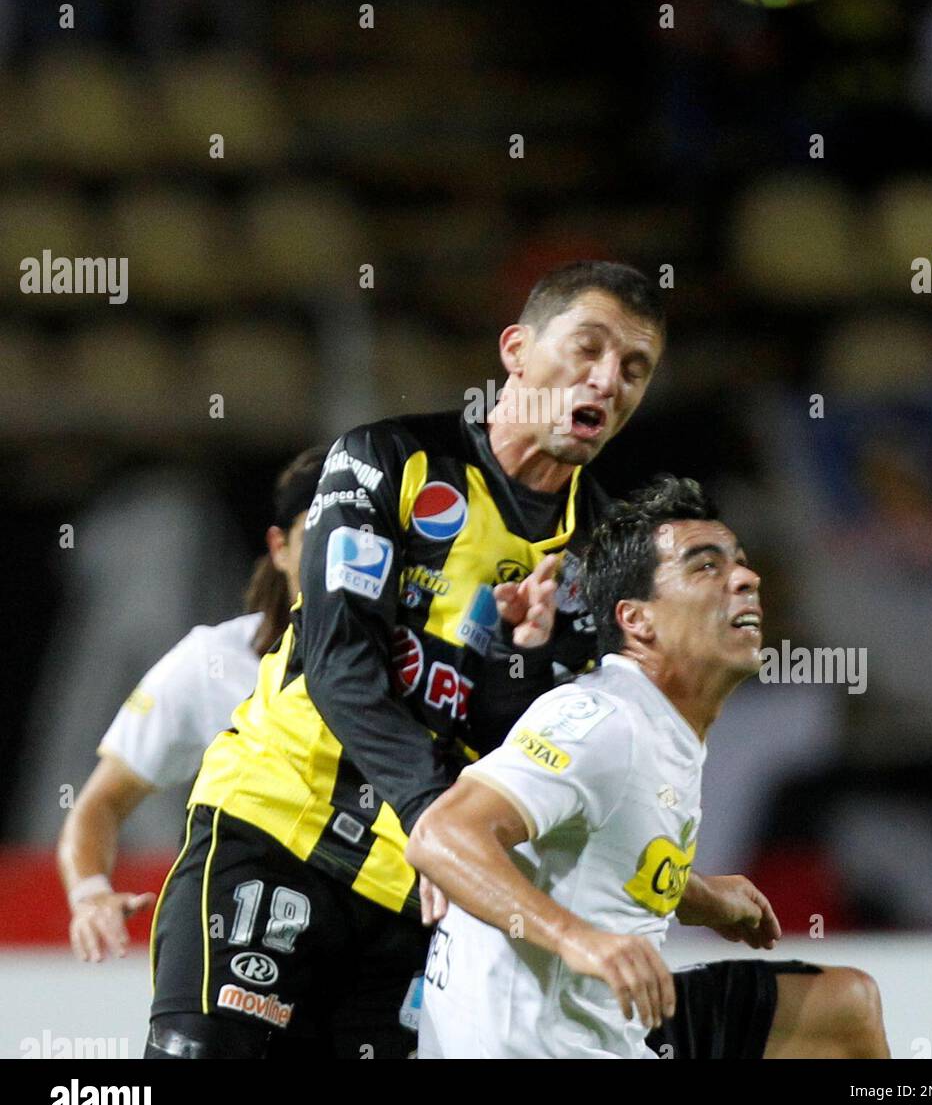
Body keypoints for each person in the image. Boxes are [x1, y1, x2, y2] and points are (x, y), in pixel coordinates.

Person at [146, 260, 885, 1059]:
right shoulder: (388, 461)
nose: (608, 381)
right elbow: (337, 663)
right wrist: (434, 815)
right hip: (279, 831)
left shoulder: (603, 560)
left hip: (424, 898)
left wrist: (522, 664)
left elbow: (544, 761)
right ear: (517, 351)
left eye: (634, 370)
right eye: (588, 350)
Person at [410, 477, 888, 1059]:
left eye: (740, 563)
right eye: (706, 567)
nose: (746, 578)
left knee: (843, 1008)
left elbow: (593, 843)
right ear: (637, 620)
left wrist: (695, 894)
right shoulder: (602, 720)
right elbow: (442, 834)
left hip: (613, 1026)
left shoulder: (659, 721)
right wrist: (579, 941)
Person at [57, 448, 325, 964]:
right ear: (280, 547)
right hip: (240, 954)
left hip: (379, 958)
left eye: (357, 542)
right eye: (317, 540)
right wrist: (90, 895)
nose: (337, 565)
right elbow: (100, 802)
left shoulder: (418, 667)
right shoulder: (212, 662)